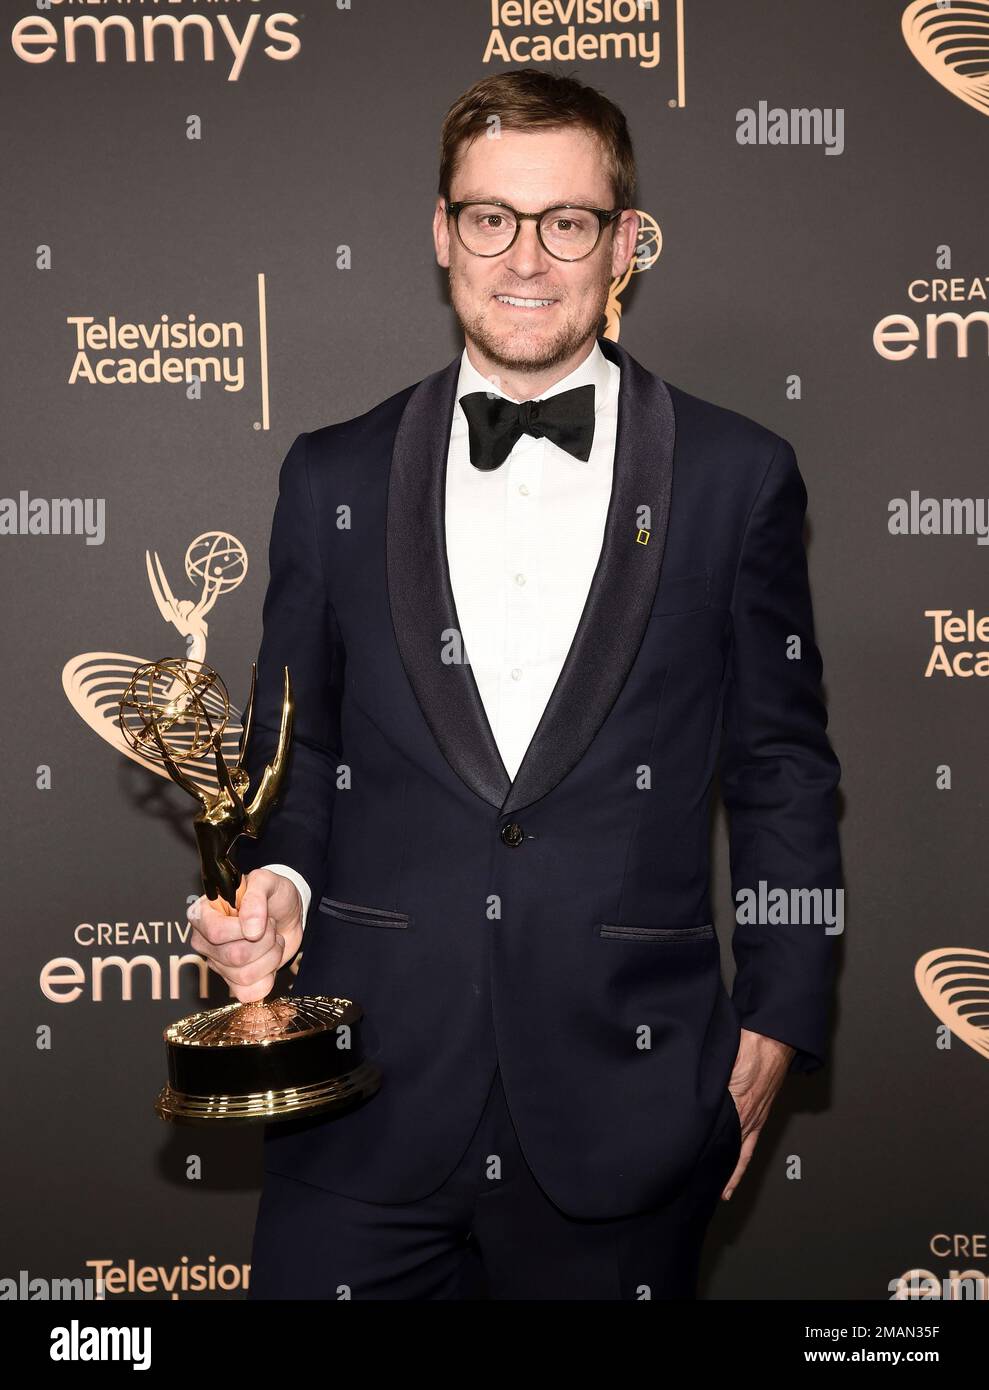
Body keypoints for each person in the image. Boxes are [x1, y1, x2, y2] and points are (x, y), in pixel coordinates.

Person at [186, 67, 843, 1300]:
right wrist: (271, 885)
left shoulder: (734, 475)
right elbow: (299, 751)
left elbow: (781, 769)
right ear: (442, 233)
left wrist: (779, 1019)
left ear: (624, 244)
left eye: (568, 222)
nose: (525, 258)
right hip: (360, 1098)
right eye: (490, 217)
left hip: (626, 1098)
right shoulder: (328, 473)